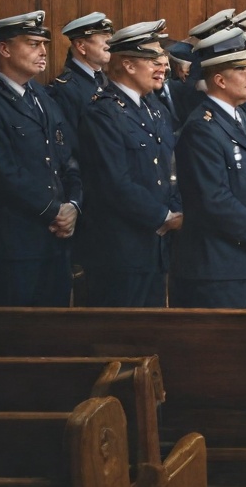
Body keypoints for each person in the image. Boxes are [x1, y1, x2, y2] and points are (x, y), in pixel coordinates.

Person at [0, 12, 83, 306]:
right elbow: (0, 174)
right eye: (32, 43)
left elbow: (68, 161)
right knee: (16, 335)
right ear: (5, 49)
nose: (42, 51)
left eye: (43, 43)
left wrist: (74, 205)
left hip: (55, 240)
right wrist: (53, 211)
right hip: (10, 239)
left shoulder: (44, 99)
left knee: (54, 336)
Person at [172, 27, 246, 309]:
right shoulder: (201, 128)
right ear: (219, 80)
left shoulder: (244, 118)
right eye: (242, 70)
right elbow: (213, 197)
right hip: (220, 266)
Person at [74, 20, 182, 307]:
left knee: (152, 336)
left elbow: (170, 169)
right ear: (129, 66)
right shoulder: (103, 113)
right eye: (153, 59)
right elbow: (115, 183)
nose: (163, 66)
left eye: (163, 58)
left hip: (155, 247)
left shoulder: (154, 108)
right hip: (119, 250)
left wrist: (176, 209)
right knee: (121, 339)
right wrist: (164, 217)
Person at [47, 11, 113, 120]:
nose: (108, 44)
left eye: (109, 38)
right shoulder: (65, 89)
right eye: (103, 38)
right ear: (81, 47)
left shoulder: (107, 81)